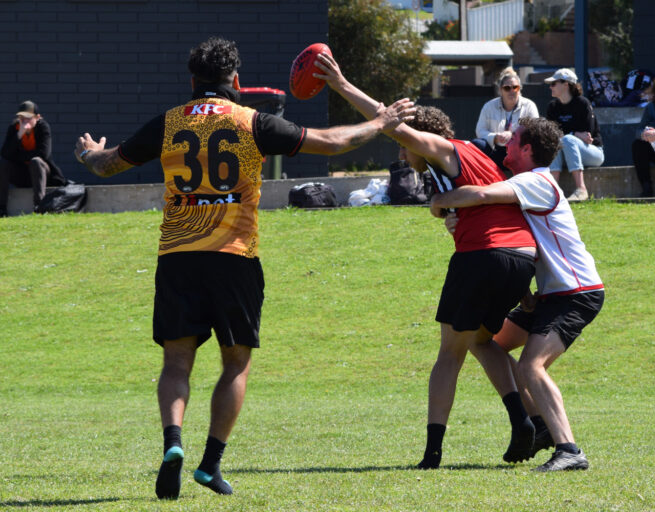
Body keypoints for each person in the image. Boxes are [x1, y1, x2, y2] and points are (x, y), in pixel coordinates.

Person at [73, 37, 415, 500]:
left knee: (176, 361)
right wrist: (381, 121)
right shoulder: (254, 121)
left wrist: (89, 151)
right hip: (234, 258)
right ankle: (210, 464)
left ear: (192, 82)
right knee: (236, 363)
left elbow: (107, 165)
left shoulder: (169, 122)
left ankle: (173, 443)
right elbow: (334, 143)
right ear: (236, 81)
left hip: (177, 258)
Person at [315, 53, 539, 468]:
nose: (402, 156)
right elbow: (502, 213)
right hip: (520, 256)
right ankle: (523, 422)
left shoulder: (442, 149)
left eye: (404, 148)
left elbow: (390, 124)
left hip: (483, 256)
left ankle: (432, 454)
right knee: (480, 341)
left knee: (448, 355)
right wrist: (524, 288)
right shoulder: (478, 157)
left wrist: (342, 85)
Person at [430, 117, 605, 472]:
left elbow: (479, 194)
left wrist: (439, 201)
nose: (506, 142)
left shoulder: (535, 181)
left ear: (527, 149)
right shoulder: (522, 185)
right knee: (483, 342)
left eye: (513, 139)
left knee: (532, 365)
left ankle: (569, 449)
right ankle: (538, 425)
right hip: (549, 294)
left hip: (576, 292)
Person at [544, 68, 604, 202]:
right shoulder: (552, 107)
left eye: (553, 84)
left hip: (593, 153)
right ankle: (553, 191)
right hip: (566, 152)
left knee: (567, 140)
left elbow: (588, 136)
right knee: (557, 140)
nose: (550, 87)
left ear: (566, 84)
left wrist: (569, 134)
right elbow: (551, 133)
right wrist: (575, 133)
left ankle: (581, 189)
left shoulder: (583, 104)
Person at [0, 101, 67, 216]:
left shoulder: (43, 127)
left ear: (38, 117)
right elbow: (5, 153)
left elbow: (44, 154)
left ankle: (39, 207)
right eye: (22, 118)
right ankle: (2, 209)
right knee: (3, 164)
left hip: (41, 173)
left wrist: (19, 157)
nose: (25, 122)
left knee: (36, 161)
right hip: (22, 175)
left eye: (29, 118)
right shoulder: (14, 128)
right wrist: (19, 134)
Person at [473, 67, 539, 173]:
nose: (511, 91)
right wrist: (495, 137)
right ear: (500, 90)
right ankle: (481, 178)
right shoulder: (489, 106)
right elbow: (480, 131)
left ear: (520, 89)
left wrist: (513, 135)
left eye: (515, 87)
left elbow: (535, 131)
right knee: (477, 144)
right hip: (496, 149)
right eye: (507, 88)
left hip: (519, 151)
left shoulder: (529, 105)